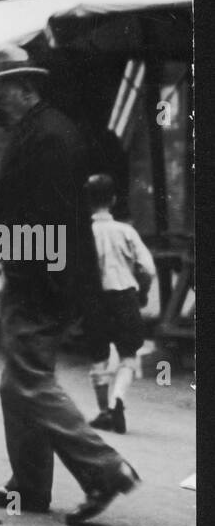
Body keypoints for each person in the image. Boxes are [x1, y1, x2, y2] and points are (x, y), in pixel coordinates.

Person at [0, 45, 139, 526]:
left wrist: (29, 273)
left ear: (24, 87)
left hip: (38, 281)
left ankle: (104, 469)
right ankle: (29, 485)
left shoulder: (49, 137)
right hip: (36, 275)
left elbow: (53, 220)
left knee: (28, 381)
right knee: (16, 383)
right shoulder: (41, 130)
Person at [83, 173, 156, 435]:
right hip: (125, 296)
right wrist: (142, 292)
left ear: (87, 201)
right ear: (113, 200)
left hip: (95, 300)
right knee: (128, 354)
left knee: (99, 356)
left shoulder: (83, 235)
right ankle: (118, 401)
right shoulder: (126, 231)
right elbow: (147, 268)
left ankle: (104, 412)